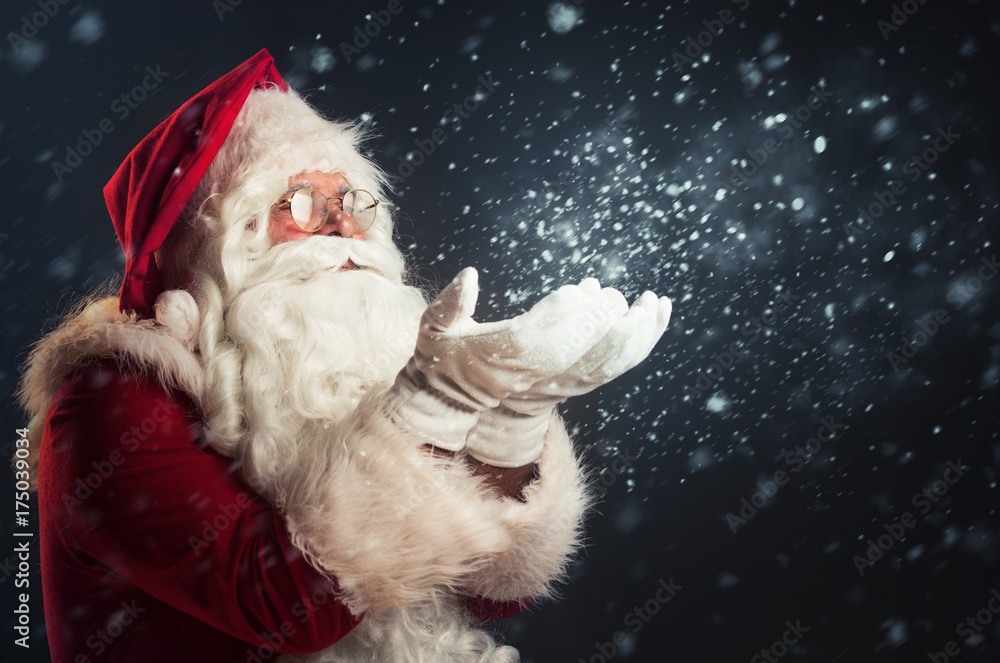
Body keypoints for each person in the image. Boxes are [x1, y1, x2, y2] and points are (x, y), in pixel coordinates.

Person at [17, 49, 672, 662]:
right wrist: (439, 401)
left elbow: (492, 591)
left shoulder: (343, 360)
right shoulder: (109, 402)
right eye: (300, 203)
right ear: (216, 244)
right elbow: (287, 609)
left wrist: (515, 412)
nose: (342, 226)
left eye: (351, 200)